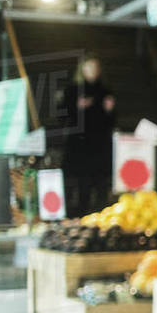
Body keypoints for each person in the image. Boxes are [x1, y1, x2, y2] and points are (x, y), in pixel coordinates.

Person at [61, 54, 115, 216]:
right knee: (82, 182)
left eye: (95, 67)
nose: (92, 71)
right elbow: (62, 117)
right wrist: (77, 107)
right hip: (80, 144)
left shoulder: (104, 91)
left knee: (100, 183)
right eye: (89, 67)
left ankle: (102, 216)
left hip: (100, 143)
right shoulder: (72, 90)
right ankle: (80, 215)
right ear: (82, 69)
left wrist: (109, 110)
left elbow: (111, 122)